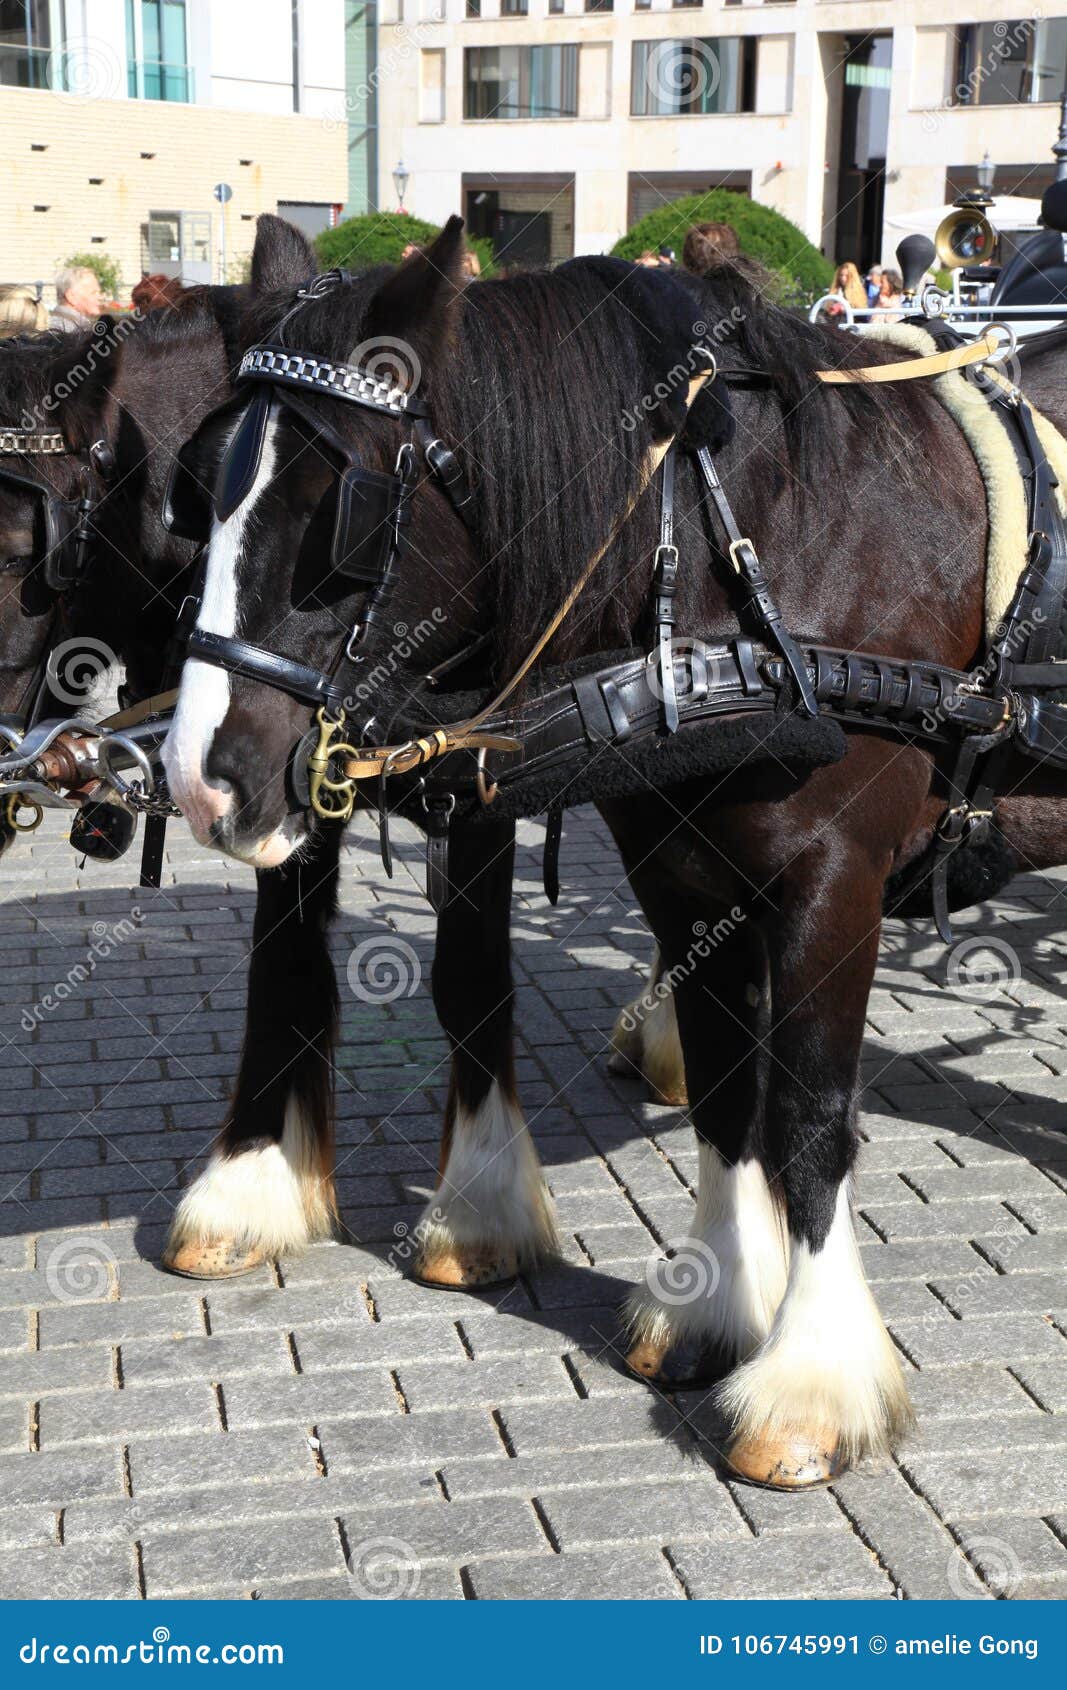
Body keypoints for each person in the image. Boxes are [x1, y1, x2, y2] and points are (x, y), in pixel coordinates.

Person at [50, 265, 103, 333]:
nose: (100, 297)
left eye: (99, 292)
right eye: (93, 292)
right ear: (71, 296)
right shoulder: (67, 328)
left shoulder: (55, 321)